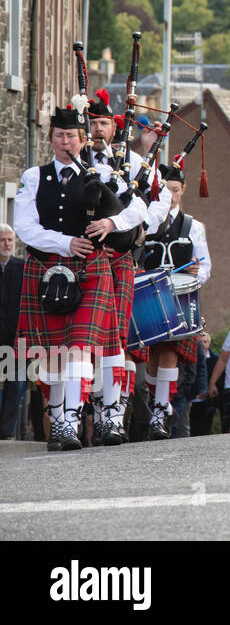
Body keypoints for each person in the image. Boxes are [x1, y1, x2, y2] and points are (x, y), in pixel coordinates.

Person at [13, 104, 118, 451]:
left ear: (82, 139)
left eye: (71, 136)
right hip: (45, 271)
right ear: (50, 139)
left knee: (79, 348)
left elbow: (138, 209)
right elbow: (25, 228)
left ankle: (70, 420)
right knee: (51, 355)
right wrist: (66, 243)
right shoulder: (33, 177)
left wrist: (111, 222)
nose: (65, 142)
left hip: (90, 271)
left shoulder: (100, 174)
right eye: (59, 135)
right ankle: (58, 422)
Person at [82, 87, 170, 446]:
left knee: (115, 340)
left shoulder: (131, 163)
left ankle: (111, 414)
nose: (98, 129)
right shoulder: (75, 158)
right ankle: (76, 415)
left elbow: (160, 196)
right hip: (79, 259)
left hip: (118, 260)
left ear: (114, 127)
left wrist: (138, 224)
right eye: (92, 123)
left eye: (103, 122)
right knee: (81, 345)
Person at [139, 163, 211, 440]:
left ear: (183, 191)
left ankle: (159, 412)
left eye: (175, 190)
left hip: (179, 299)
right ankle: (158, 406)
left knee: (169, 355)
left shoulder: (194, 226)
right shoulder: (145, 223)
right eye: (166, 189)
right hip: (147, 299)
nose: (171, 194)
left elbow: (205, 267)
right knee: (153, 359)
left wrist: (196, 272)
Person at [0, 224, 23, 439]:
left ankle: (5, 433)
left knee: (15, 385)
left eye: (10, 240)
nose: (7, 244)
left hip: (17, 338)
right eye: (2, 240)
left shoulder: (22, 268)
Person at [189, 331, 219, 436]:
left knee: (205, 428)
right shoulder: (190, 356)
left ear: (209, 343)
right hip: (192, 395)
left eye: (205, 342)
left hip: (207, 399)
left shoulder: (215, 359)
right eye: (200, 341)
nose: (202, 344)